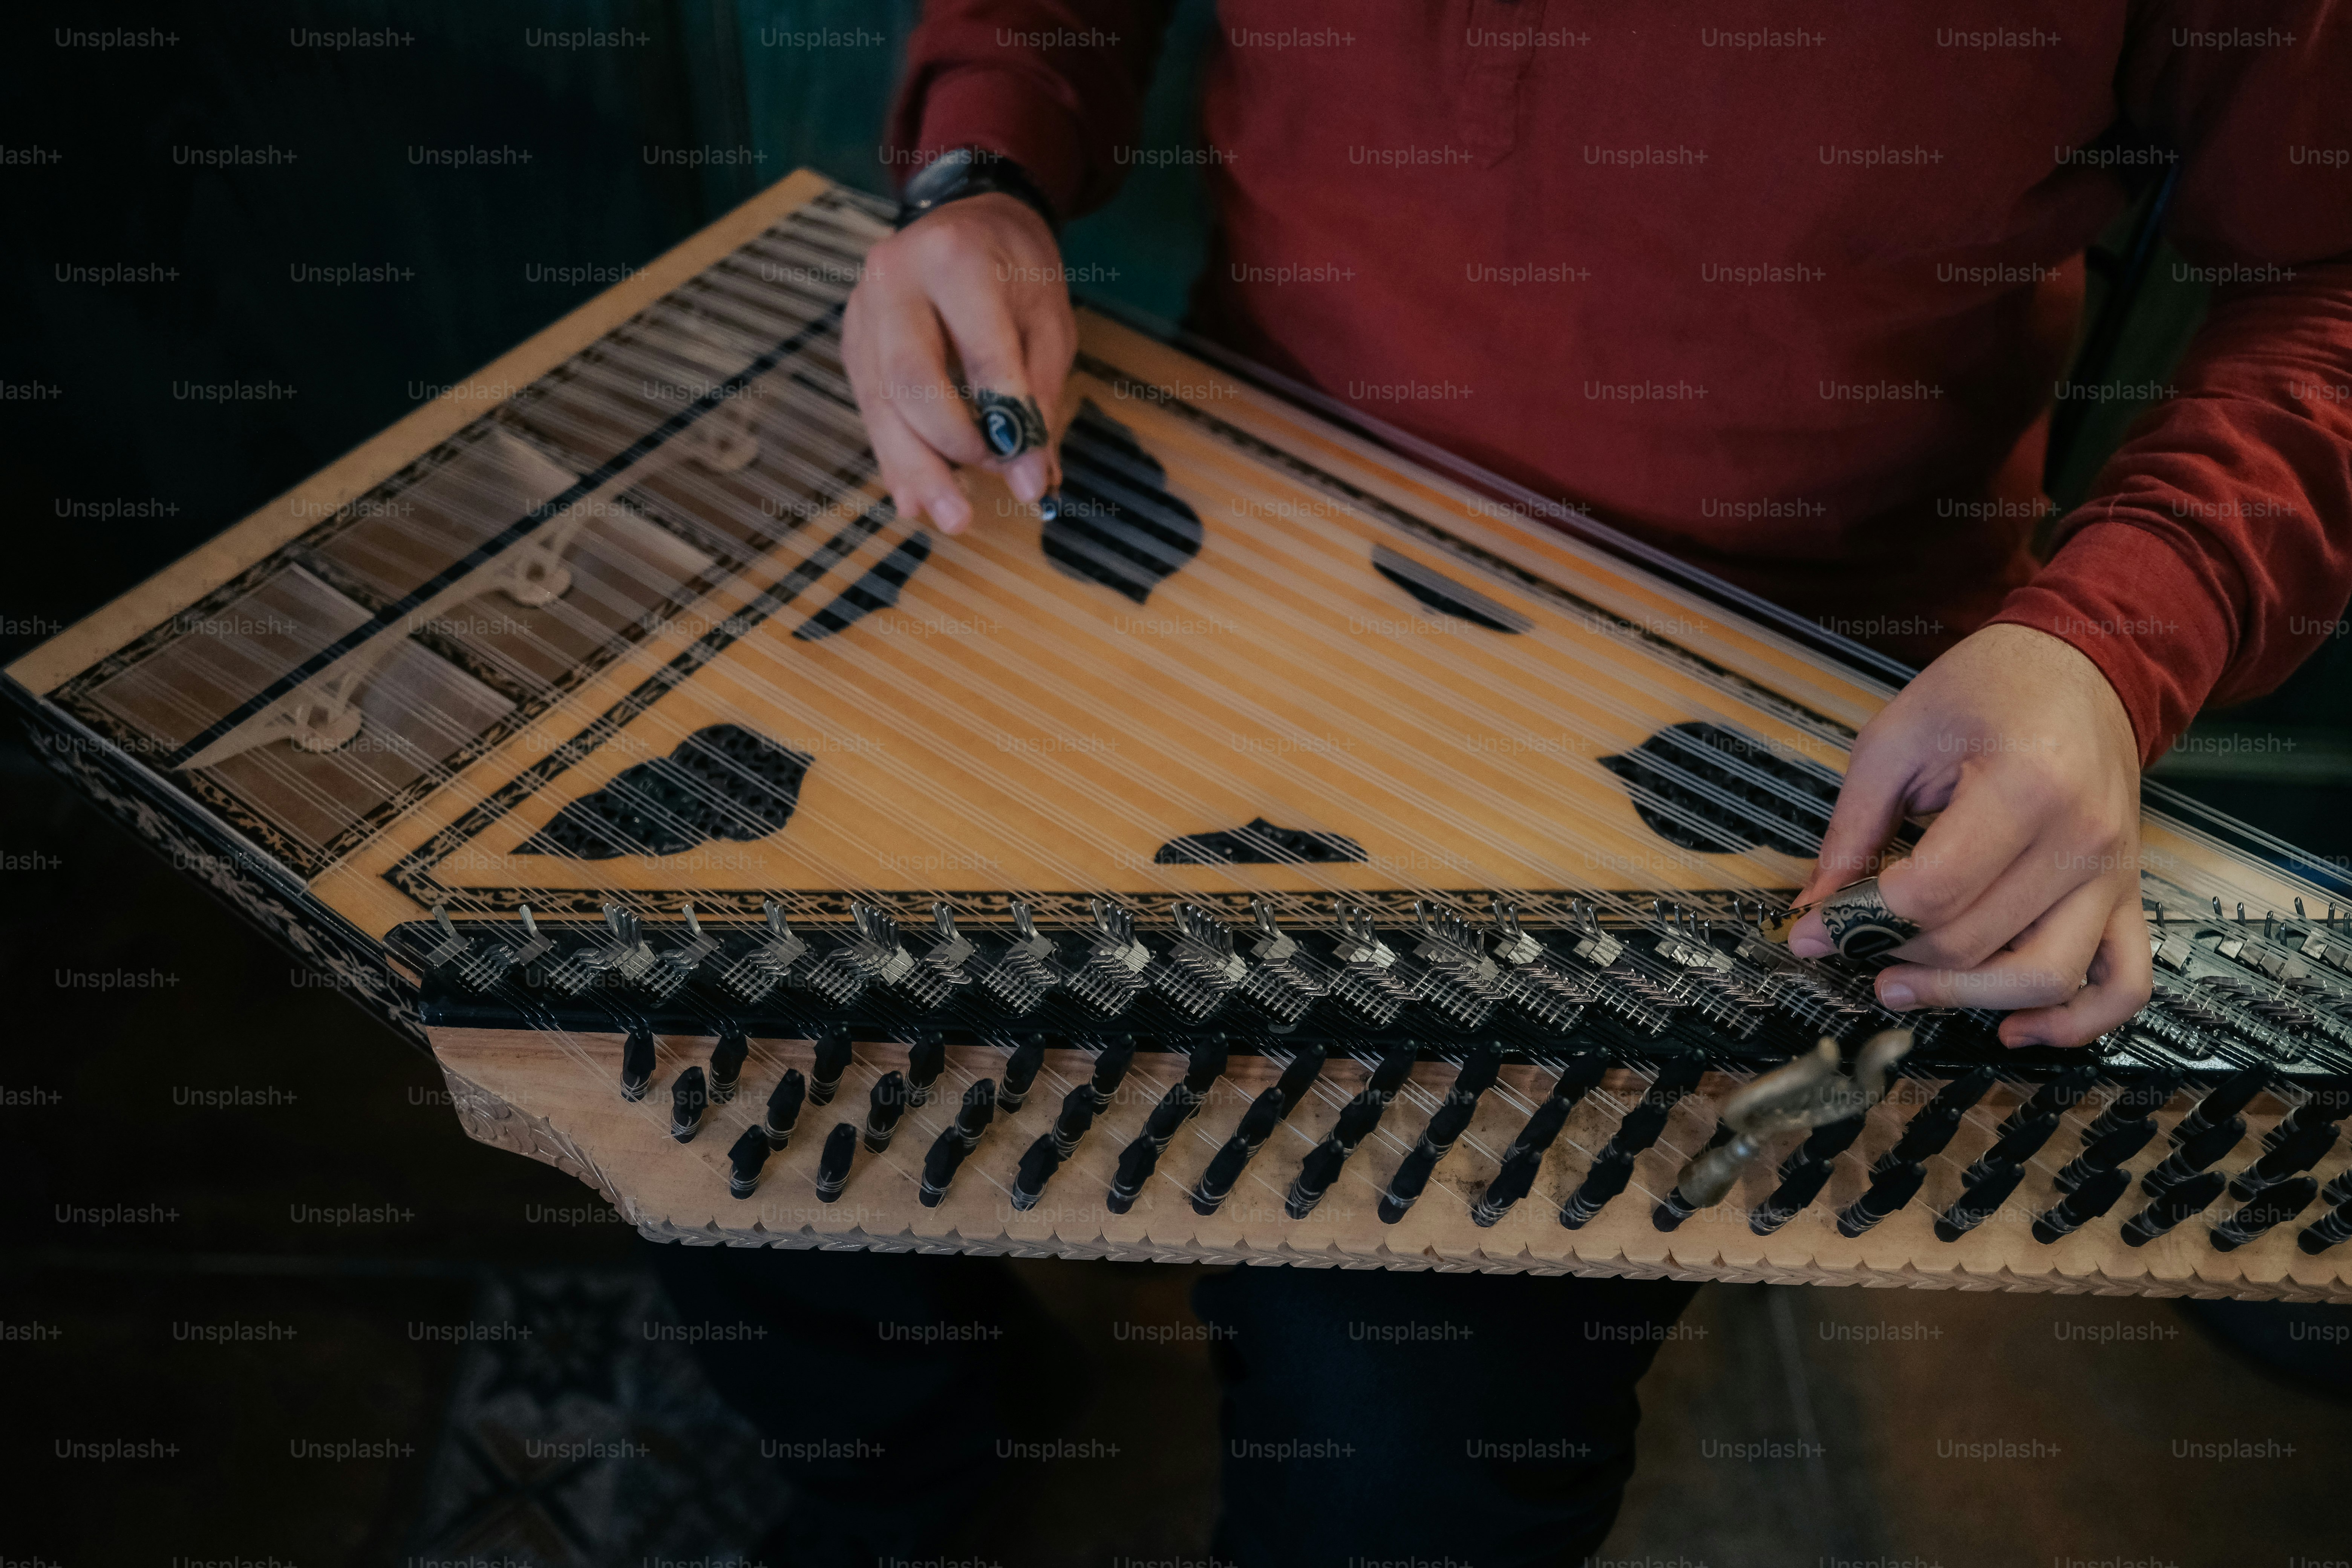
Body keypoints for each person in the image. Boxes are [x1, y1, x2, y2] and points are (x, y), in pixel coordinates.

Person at [675, 7, 2352, 1566]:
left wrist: (2114, 639)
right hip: (1240, 504)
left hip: (1779, 665)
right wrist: (984, 169)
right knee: (715, 1019)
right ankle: (915, 1471)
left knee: (1413, 1419)